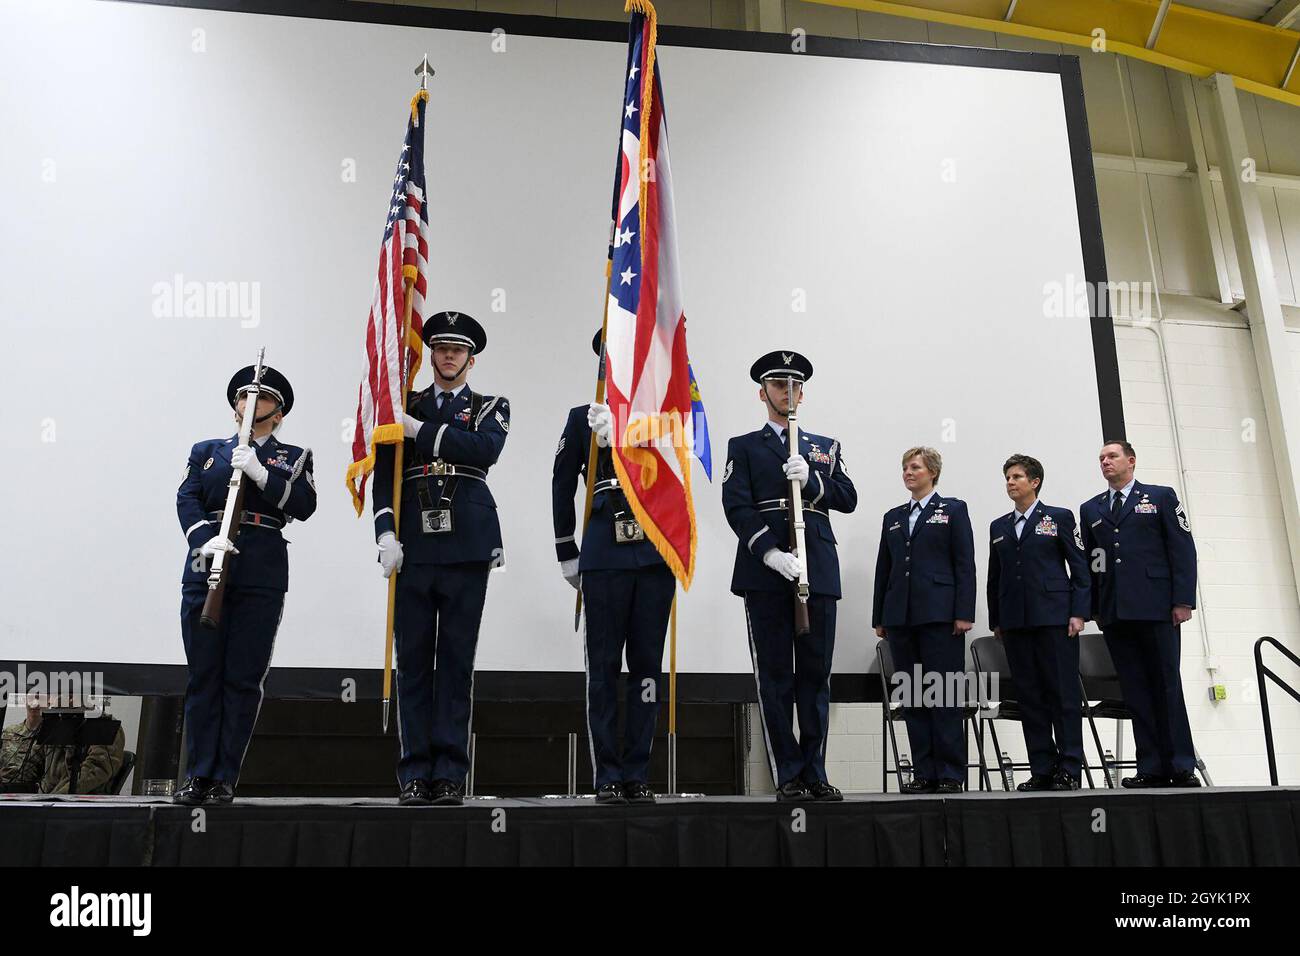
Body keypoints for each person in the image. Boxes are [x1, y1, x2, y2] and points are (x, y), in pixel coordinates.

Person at [373, 311, 510, 807]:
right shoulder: (402, 405)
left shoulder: (492, 405)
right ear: (430, 353)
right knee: (411, 662)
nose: (449, 355)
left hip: (467, 546)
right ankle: (414, 773)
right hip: (412, 541)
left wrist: (420, 431)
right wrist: (384, 531)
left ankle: (449, 771)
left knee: (455, 662)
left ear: (471, 358)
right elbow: (385, 472)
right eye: (441, 347)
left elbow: (482, 450)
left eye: (458, 349)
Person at [175, 365, 316, 806]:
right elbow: (187, 497)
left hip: (260, 567)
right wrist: (204, 538)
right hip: (207, 561)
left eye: (260, 398)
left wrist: (260, 473)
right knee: (204, 676)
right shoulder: (207, 451)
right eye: (242, 396)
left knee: (243, 678)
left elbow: (305, 504)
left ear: (278, 413)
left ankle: (223, 777)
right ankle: (198, 774)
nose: (249, 403)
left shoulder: (292, 456)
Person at [722, 350, 857, 802]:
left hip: (817, 566)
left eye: (795, 384)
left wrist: (814, 480)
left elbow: (848, 496)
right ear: (764, 393)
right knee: (776, 677)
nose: (788, 391)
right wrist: (770, 552)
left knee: (815, 677)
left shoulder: (823, 445)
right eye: (779, 384)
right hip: (767, 572)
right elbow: (736, 506)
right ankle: (788, 773)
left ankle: (815, 771)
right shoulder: (743, 445)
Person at [551, 330, 674, 805]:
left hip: (654, 553)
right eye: (614, 355)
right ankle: (607, 772)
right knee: (602, 668)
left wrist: (625, 434)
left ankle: (637, 770)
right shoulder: (582, 417)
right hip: (603, 551)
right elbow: (563, 484)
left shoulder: (667, 416)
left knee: (646, 670)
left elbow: (677, 475)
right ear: (603, 362)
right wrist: (566, 550)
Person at [1080, 440, 1199, 788]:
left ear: (1131, 461)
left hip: (1157, 607)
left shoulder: (1160, 497)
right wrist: (1096, 608)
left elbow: (1182, 549)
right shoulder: (1092, 508)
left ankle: (1180, 764)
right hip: (1116, 612)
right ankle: (1150, 766)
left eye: (1112, 456)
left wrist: (1182, 600)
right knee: (1135, 690)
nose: (1105, 461)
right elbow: (1093, 562)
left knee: (1166, 684)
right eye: (1101, 457)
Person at [873, 446, 975, 794]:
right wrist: (880, 616)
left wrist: (964, 612)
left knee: (943, 695)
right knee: (914, 697)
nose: (908, 472)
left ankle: (950, 772)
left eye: (915, 467)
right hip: (901, 617)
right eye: (904, 467)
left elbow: (965, 563)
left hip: (940, 616)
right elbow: (883, 569)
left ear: (932, 472)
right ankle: (924, 772)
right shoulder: (894, 516)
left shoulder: (953, 510)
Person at [987, 454, 1089, 791]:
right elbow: (994, 577)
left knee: (1062, 694)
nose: (1010, 483)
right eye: (1007, 478)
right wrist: (997, 619)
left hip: (1055, 619)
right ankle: (1042, 768)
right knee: (1030, 697)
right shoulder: (999, 526)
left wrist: (1078, 612)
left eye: (1017, 477)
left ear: (1035, 482)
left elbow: (1080, 567)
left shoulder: (1058, 517)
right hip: (1016, 622)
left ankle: (1070, 767)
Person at [0, 701, 125, 795]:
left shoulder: (102, 725)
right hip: (48, 802)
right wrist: (7, 787)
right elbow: (31, 764)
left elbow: (94, 772)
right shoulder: (56, 723)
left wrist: (55, 798)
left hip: (83, 806)